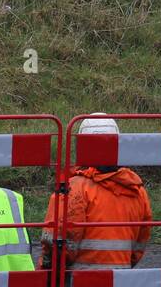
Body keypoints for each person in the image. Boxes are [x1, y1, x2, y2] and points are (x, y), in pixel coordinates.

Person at [41, 114, 152, 271]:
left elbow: (57, 244)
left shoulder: (74, 187)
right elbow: (140, 243)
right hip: (122, 281)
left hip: (78, 285)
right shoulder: (136, 188)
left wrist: (48, 273)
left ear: (81, 146)